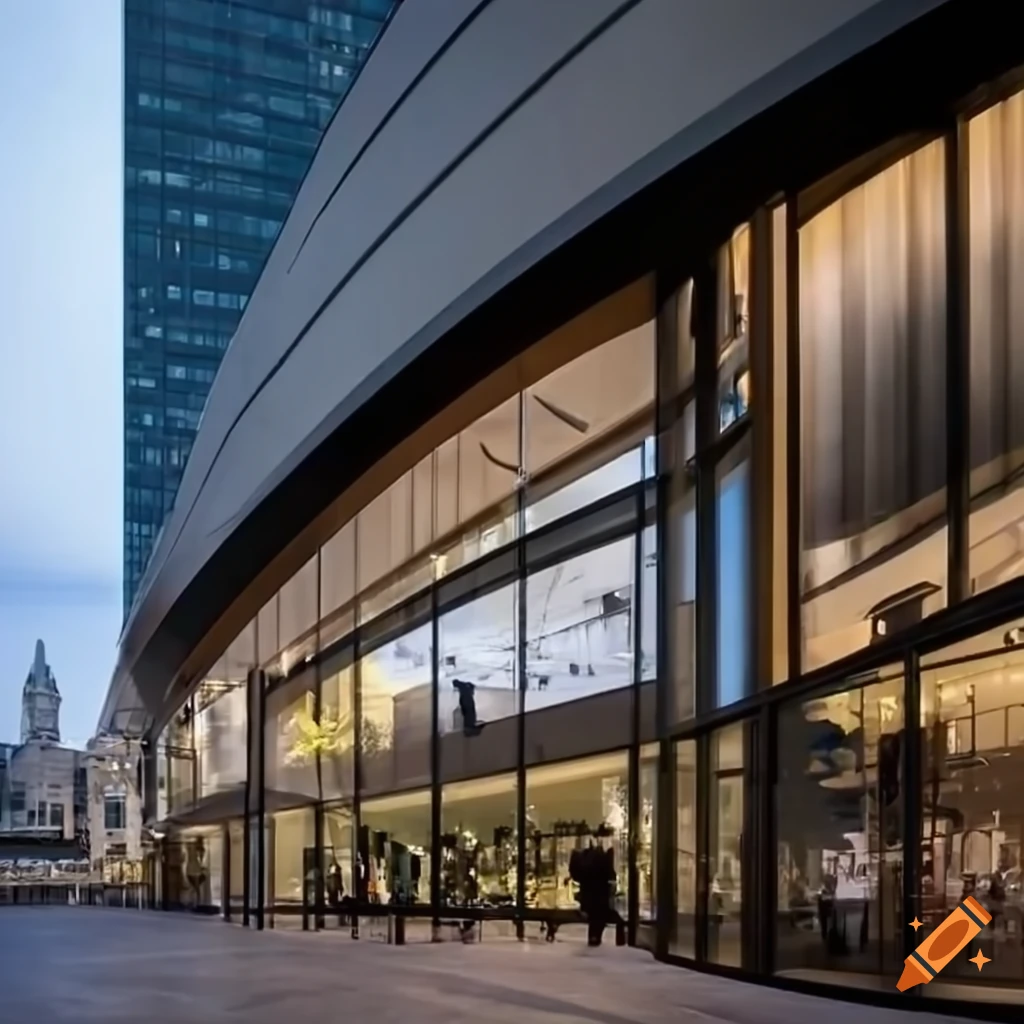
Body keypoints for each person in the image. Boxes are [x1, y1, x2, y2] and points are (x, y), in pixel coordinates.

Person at [570, 841, 615, 947]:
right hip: (599, 891)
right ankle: (595, 937)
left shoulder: (586, 857)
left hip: (589, 890)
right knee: (599, 916)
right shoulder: (602, 856)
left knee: (594, 916)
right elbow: (609, 873)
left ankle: (594, 937)